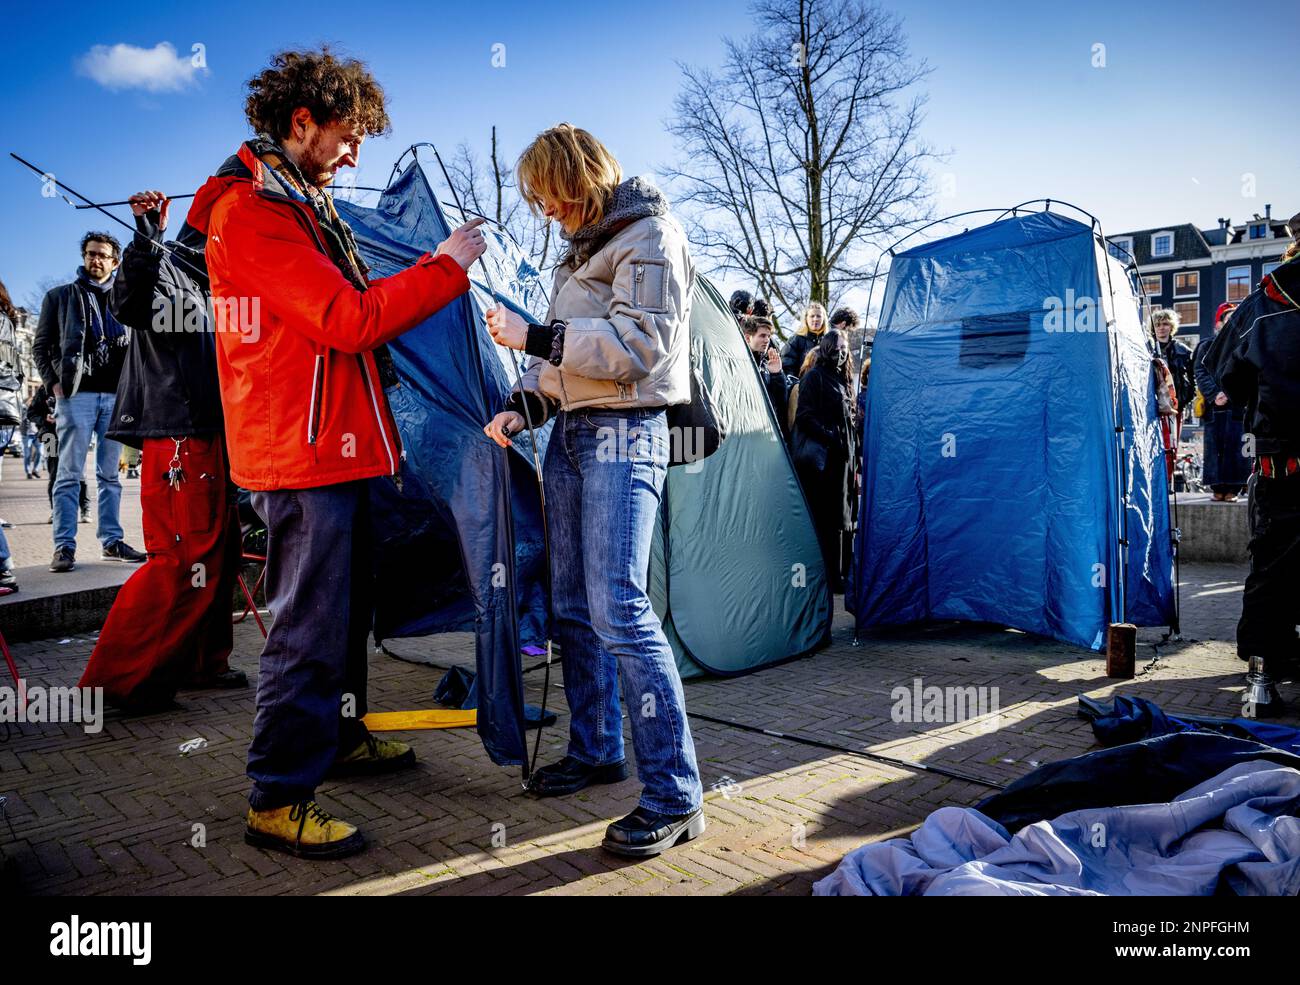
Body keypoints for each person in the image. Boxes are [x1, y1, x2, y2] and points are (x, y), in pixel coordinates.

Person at [189, 46, 487, 859]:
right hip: (299, 450)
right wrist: (445, 268)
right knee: (306, 628)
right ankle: (277, 796)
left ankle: (341, 736)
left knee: (344, 615)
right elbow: (347, 319)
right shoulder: (252, 212)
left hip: (333, 447)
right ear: (301, 122)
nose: (357, 155)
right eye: (349, 137)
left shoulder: (298, 203)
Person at [483, 123, 705, 858]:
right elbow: (569, 364)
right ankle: (597, 746)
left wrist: (536, 341)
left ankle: (676, 794)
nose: (541, 209)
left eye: (547, 194)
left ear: (577, 179)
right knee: (574, 607)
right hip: (574, 439)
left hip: (627, 434)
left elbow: (641, 347)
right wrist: (528, 402)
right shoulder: (579, 251)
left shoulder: (652, 236)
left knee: (620, 606)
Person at [77, 188, 249, 713]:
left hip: (210, 435)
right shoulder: (170, 268)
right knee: (181, 557)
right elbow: (127, 299)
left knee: (219, 552)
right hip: (178, 435)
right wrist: (146, 233)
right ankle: (112, 686)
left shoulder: (217, 283)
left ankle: (201, 663)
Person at [1204, 223, 1300, 699]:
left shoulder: (1264, 302)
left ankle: (1262, 681)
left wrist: (1258, 402)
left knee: (1273, 565)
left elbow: (1221, 368)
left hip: (1283, 462)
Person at [33, 231, 147, 572]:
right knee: (68, 474)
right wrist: (53, 385)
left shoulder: (126, 299)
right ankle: (64, 546)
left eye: (102, 255)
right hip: (75, 395)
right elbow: (41, 346)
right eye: (90, 253)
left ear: (115, 262)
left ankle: (111, 541)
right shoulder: (60, 297)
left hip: (117, 396)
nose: (95, 259)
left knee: (110, 476)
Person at [790, 330, 858, 596]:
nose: (841, 351)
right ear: (827, 347)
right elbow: (804, 417)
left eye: (844, 347)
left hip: (845, 462)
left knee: (844, 521)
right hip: (825, 464)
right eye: (837, 346)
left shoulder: (842, 380)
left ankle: (842, 573)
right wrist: (830, 436)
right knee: (829, 523)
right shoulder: (814, 377)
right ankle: (830, 577)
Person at [1193, 302, 1249, 501]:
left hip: (1236, 406)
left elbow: (1249, 373)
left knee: (1236, 447)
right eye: (1228, 319)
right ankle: (1216, 487)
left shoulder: (1245, 345)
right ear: (1219, 323)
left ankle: (1233, 489)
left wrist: (1230, 393)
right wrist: (1214, 394)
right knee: (1214, 448)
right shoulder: (1206, 346)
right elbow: (1200, 371)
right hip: (1213, 407)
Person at [26, 386, 87, 522]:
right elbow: (31, 413)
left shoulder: (77, 385)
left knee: (79, 473)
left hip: (74, 435)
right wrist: (45, 419)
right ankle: (56, 511)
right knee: (54, 474)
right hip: (50, 436)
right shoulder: (44, 390)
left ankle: (84, 509)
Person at [1152, 308, 1194, 485]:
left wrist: (1182, 402)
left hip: (1175, 408)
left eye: (1165, 324)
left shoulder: (1183, 351)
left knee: (1172, 446)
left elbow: (1192, 380)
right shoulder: (1146, 349)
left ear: (1171, 326)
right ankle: (1154, 482)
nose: (1161, 328)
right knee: (1152, 445)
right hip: (1151, 407)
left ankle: (1166, 482)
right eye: (1158, 324)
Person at [743, 315, 796, 435]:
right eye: (762, 336)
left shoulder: (767, 365)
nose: (767, 340)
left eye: (768, 336)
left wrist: (777, 374)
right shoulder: (739, 365)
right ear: (747, 338)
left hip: (768, 431)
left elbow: (781, 404)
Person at [782, 301, 828, 376]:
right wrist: (794, 384)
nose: (815, 319)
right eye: (812, 316)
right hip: (801, 385)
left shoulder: (829, 341)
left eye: (819, 316)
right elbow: (787, 366)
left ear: (823, 319)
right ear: (806, 319)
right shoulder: (795, 340)